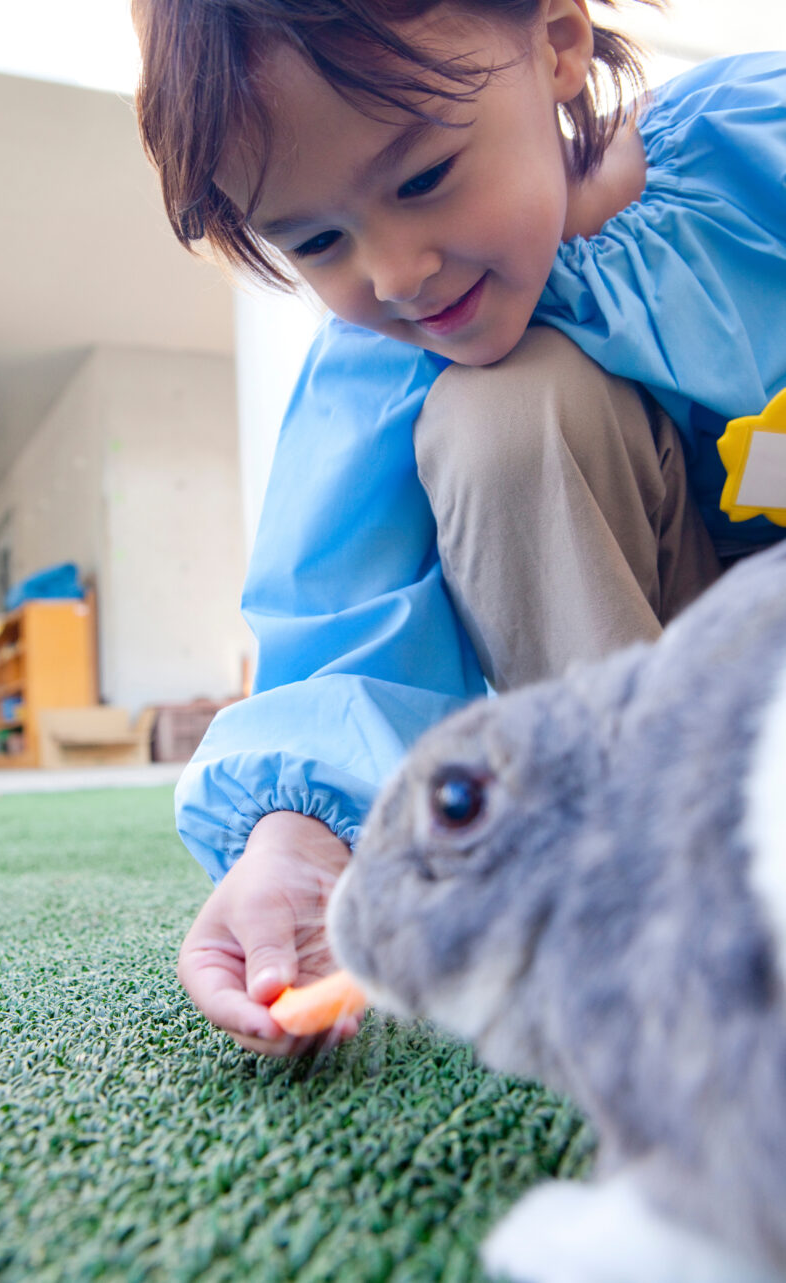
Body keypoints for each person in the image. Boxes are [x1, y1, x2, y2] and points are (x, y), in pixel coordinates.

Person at [133, 0, 786, 1055]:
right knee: (501, 414)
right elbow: (347, 629)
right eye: (316, 240)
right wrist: (300, 844)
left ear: (558, 46)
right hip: (701, 730)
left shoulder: (761, 148)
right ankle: (657, 901)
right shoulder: (384, 371)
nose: (395, 273)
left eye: (424, 177)